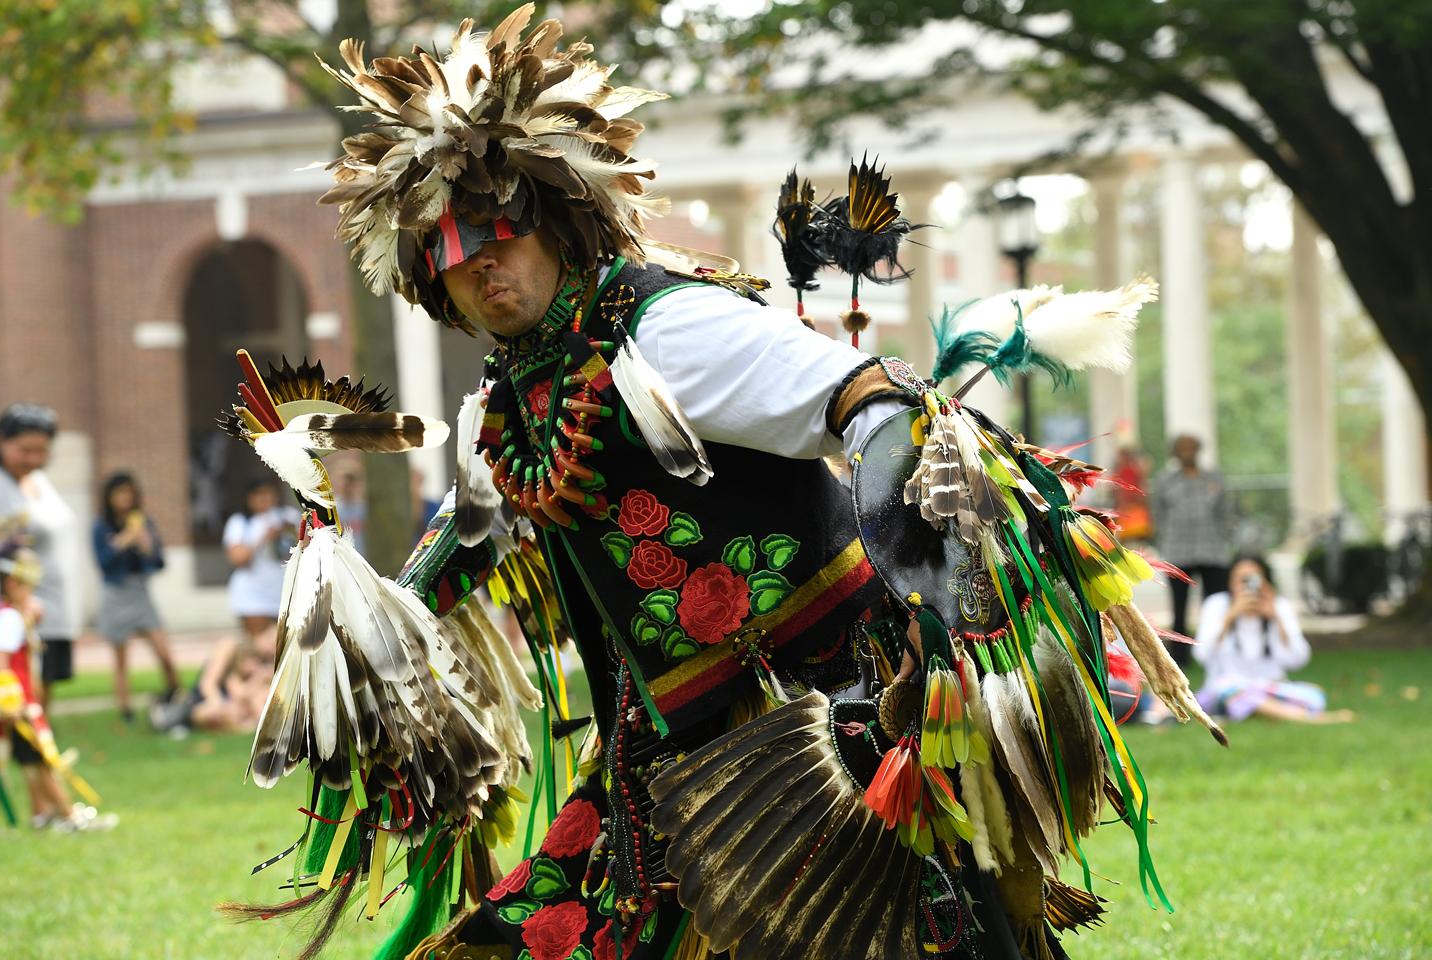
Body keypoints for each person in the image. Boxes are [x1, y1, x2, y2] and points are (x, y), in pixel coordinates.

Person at [226, 10, 1212, 959]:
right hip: (666, 761)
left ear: (556, 220)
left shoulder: (666, 331)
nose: (486, 268)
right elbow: (456, 564)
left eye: (502, 235)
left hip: (833, 719)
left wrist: (931, 579)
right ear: (423, 280)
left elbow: (868, 399)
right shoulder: (503, 409)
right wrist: (337, 596)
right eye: (454, 257)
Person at [0, 545, 115, 832]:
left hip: (16, 701)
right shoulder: (9, 617)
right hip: (17, 702)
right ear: (12, 584)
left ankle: (42, 812)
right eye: (29, 587)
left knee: (28, 759)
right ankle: (68, 815)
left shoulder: (10, 614)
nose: (33, 594)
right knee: (44, 758)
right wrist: (9, 700)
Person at [0, 404, 81, 708]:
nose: (33, 459)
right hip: (15, 611)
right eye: (24, 449)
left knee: (40, 700)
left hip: (51, 609)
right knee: (15, 699)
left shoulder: (38, 480)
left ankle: (39, 754)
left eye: (41, 450)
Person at [1193, 555, 1351, 724]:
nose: (1247, 587)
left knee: (1315, 694)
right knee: (1229, 690)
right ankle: (1307, 717)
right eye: (1242, 581)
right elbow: (1201, 655)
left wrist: (1277, 620)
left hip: (1268, 687)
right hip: (1226, 688)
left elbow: (1299, 659)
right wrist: (1229, 618)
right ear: (1231, 583)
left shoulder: (1279, 606)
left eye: (1253, 580)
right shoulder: (1217, 604)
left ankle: (1257, 710)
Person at [92, 471, 181, 722]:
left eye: (128, 493)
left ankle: (177, 695)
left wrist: (146, 546)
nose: (124, 498)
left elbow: (159, 562)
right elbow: (103, 563)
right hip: (115, 593)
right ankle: (125, 710)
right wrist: (122, 541)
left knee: (164, 652)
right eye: (119, 493)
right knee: (120, 658)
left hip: (140, 592)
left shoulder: (144, 522)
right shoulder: (101, 526)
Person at [1150, 433, 1231, 663]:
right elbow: (1158, 514)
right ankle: (1180, 658)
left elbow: (1225, 512)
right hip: (1178, 552)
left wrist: (1224, 537)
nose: (1188, 453)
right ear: (1175, 453)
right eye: (1183, 448)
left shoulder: (1213, 478)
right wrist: (1164, 538)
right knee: (1179, 608)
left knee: (1216, 605)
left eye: (1192, 448)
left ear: (1199, 450)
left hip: (1212, 551)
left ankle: (1216, 652)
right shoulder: (1165, 480)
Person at [221, 478, 297, 642]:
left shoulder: (288, 516)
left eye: (268, 493)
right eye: (259, 494)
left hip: (285, 592)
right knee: (259, 647)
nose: (265, 498)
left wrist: (290, 532)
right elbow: (238, 558)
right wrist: (264, 537)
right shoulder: (240, 522)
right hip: (253, 595)